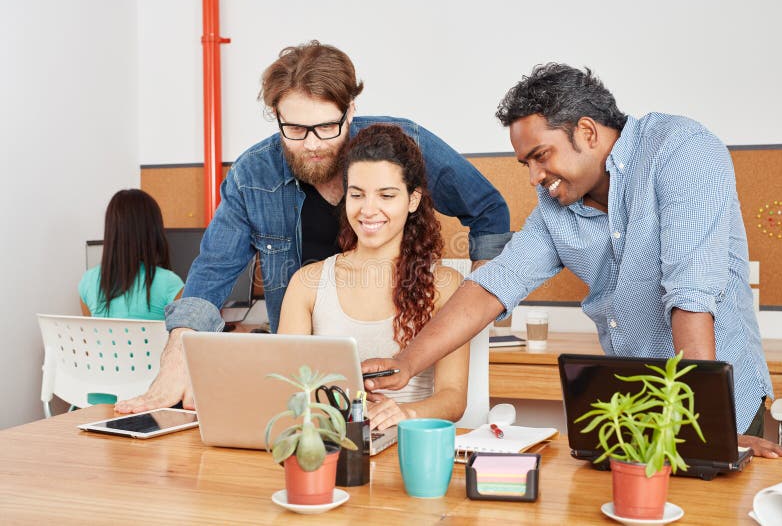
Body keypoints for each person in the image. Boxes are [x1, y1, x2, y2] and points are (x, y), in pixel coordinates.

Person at [362, 63, 782, 458]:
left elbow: (690, 294)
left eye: (541, 156)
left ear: (587, 131)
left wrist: (705, 426)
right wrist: (406, 363)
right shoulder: (556, 208)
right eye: (526, 163)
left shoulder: (681, 152)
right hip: (630, 409)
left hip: (710, 400)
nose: (534, 177)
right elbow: (495, 284)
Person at [115, 41, 510, 413]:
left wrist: (473, 307)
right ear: (277, 117)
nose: (313, 144)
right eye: (295, 130)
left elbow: (488, 209)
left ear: (350, 110)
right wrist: (178, 354)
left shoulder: (401, 145)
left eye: (326, 127)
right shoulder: (253, 176)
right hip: (309, 367)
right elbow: (213, 270)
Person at [278, 124, 469, 430]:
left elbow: (453, 397)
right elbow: (287, 388)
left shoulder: (446, 286)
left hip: (407, 442)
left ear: (413, 200)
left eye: (386, 195)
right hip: (330, 443)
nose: (368, 209)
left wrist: (403, 413)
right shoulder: (306, 284)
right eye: (357, 194)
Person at [79, 189, 183, 320]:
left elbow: (88, 338)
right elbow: (181, 335)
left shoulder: (87, 282)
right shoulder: (170, 283)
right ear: (153, 231)